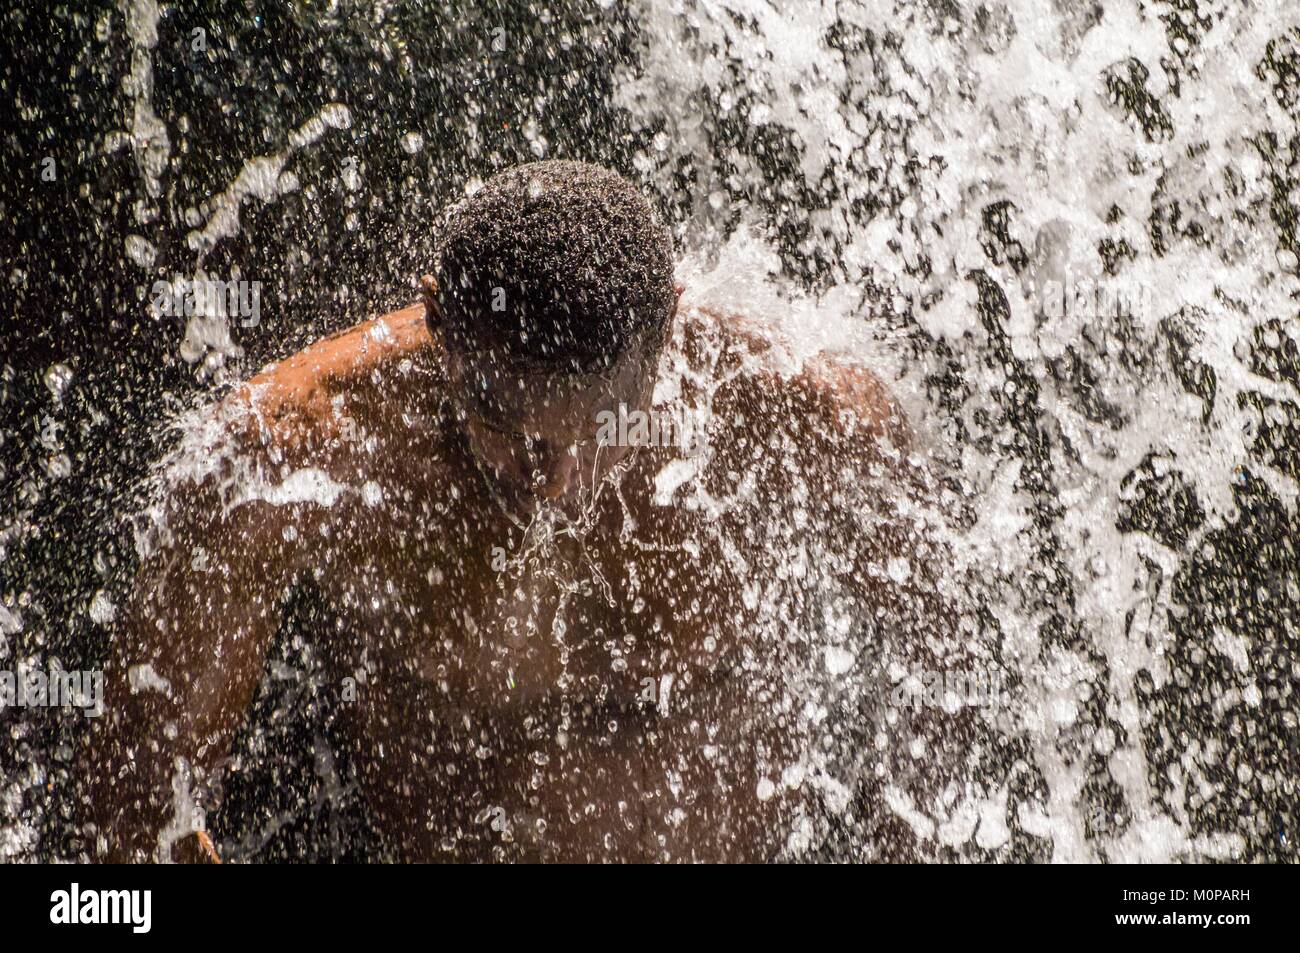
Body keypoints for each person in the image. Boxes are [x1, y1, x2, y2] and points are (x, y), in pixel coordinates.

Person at [85, 160, 910, 862]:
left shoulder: (796, 414)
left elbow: (959, 694)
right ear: (440, 326)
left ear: (665, 336)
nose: (552, 480)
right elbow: (128, 820)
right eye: (504, 425)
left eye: (594, 430)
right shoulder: (293, 458)